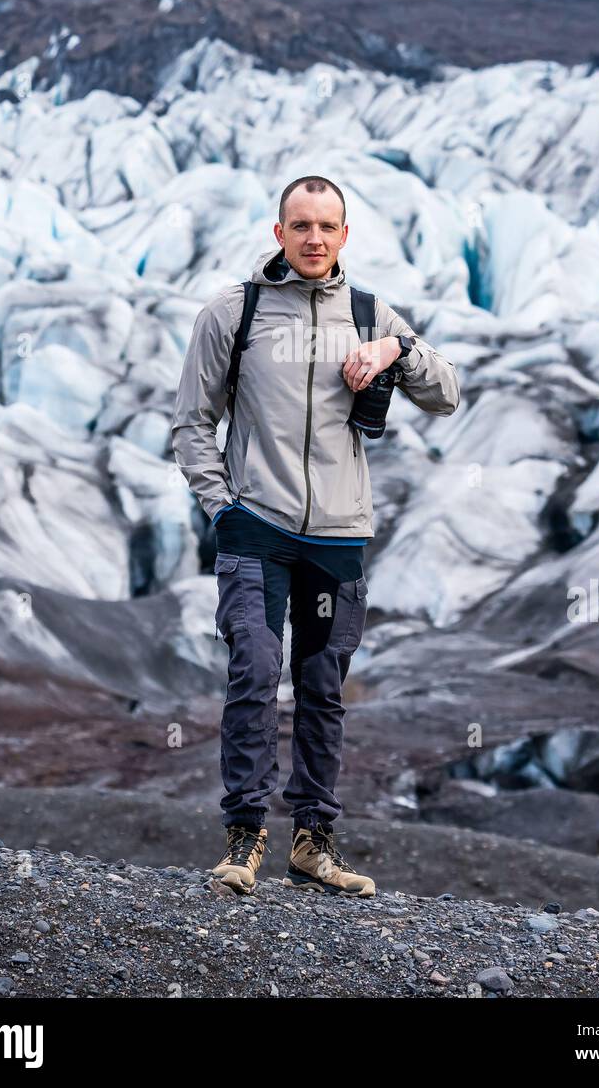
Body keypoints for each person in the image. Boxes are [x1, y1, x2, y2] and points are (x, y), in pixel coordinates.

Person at [171, 175, 461, 895]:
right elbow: (190, 424)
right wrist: (221, 507)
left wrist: (396, 349)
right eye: (300, 226)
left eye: (327, 226)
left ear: (344, 235)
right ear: (279, 234)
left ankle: (314, 844)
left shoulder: (368, 313)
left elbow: (448, 394)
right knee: (254, 671)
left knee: (323, 686)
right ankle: (244, 839)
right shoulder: (233, 315)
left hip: (337, 537)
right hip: (256, 530)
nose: (313, 239)